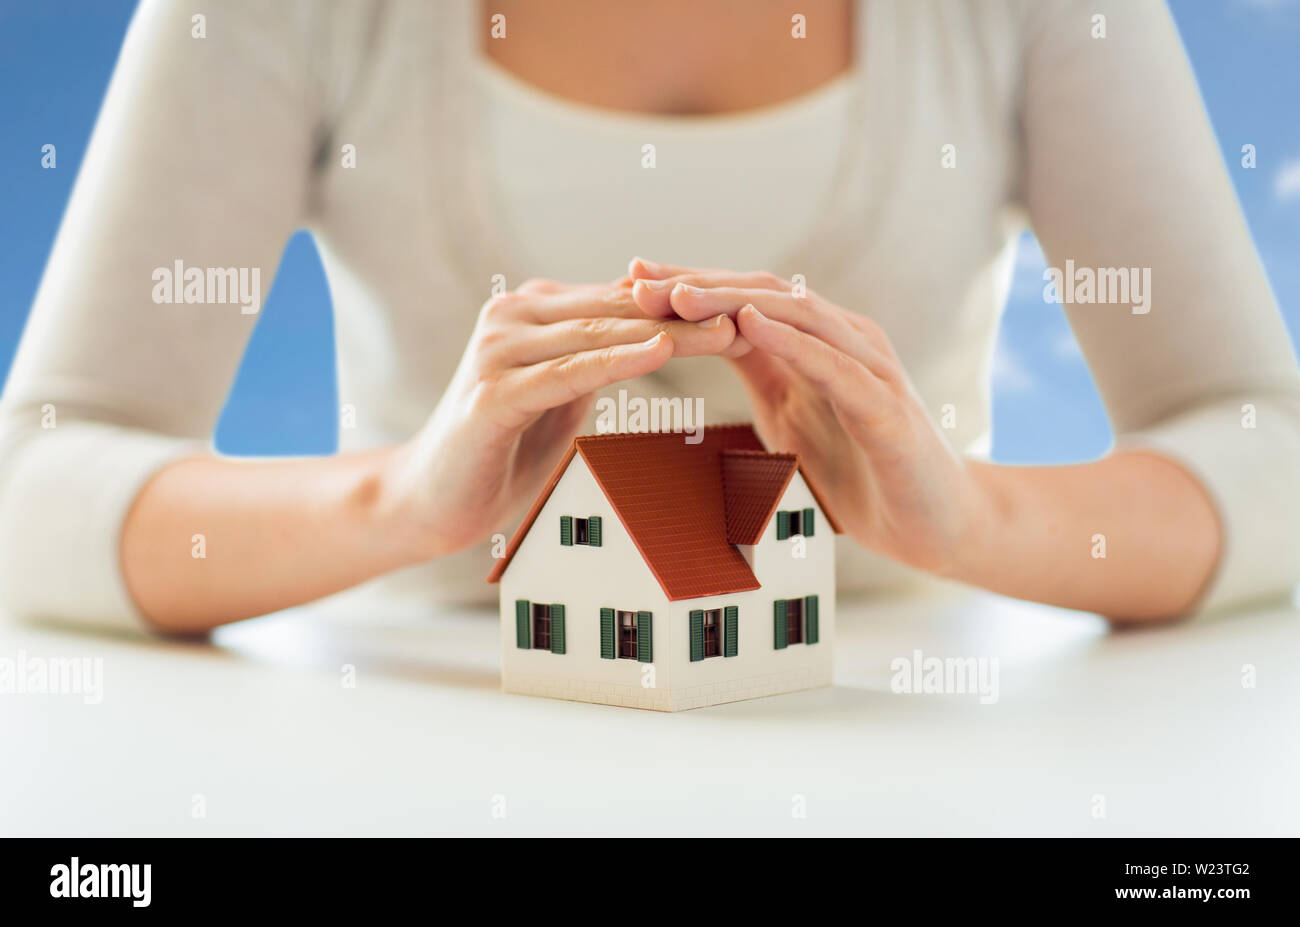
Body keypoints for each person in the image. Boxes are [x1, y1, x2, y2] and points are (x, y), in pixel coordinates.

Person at [2, 0, 1297, 635]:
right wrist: (399, 503)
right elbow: (36, 478)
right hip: (409, 750)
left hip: (917, 764)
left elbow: (1265, 444)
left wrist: (971, 514)